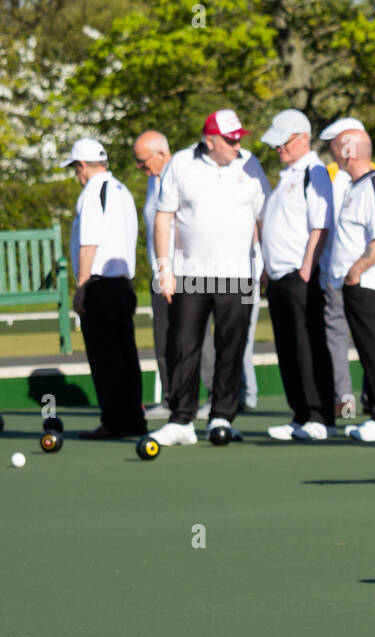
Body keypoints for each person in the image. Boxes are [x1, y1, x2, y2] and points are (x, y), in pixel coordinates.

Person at [151, 109, 270, 446]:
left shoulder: (249, 164)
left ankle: (222, 416)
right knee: (184, 346)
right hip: (191, 273)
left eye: (238, 138)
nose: (237, 145)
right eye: (230, 140)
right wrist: (165, 269)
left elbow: (263, 218)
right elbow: (164, 218)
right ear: (210, 140)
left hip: (238, 275)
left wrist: (266, 267)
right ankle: (182, 421)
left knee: (231, 348)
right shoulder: (181, 163)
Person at [259, 109, 337, 441]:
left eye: (285, 142)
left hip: (299, 275)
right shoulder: (287, 174)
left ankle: (320, 416)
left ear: (303, 138)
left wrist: (307, 267)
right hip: (278, 278)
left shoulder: (314, 172)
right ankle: (301, 414)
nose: (279, 148)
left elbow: (321, 224)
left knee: (308, 345)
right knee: (288, 347)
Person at [63, 138, 145, 439]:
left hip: (100, 286)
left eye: (75, 168)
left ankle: (114, 421)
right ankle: (134, 419)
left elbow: (89, 244)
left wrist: (81, 287)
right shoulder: (121, 190)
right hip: (123, 284)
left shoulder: (92, 192)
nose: (76, 175)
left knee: (105, 358)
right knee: (125, 355)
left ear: (82, 165)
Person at [318, 116, 375, 419]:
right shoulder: (340, 178)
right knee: (346, 344)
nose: (332, 151)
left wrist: (357, 270)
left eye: (335, 144)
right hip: (338, 278)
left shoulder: (374, 179)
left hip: (363, 281)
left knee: (373, 348)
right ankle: (351, 406)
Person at [132, 129, 174, 420]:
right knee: (163, 338)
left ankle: (216, 395)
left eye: (143, 160)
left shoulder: (178, 174)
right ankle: (171, 399)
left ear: (161, 154)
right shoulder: (152, 181)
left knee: (195, 339)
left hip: (182, 269)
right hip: (159, 273)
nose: (140, 167)